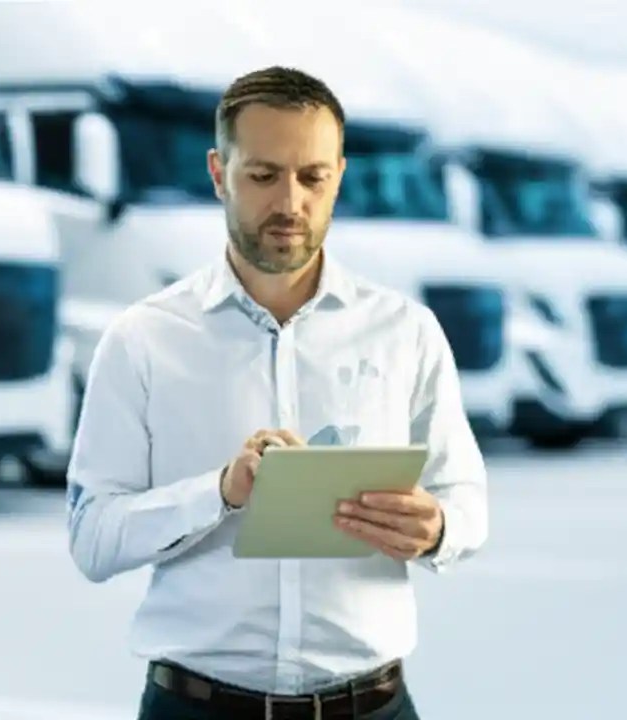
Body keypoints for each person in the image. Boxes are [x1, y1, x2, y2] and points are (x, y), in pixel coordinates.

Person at [65, 65, 489, 720]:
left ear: (339, 176)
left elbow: (465, 498)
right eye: (263, 176)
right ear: (218, 173)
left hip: (373, 707)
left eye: (313, 177)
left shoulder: (404, 332)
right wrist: (221, 492)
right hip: (196, 708)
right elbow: (93, 537)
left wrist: (437, 528)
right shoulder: (144, 339)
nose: (290, 202)